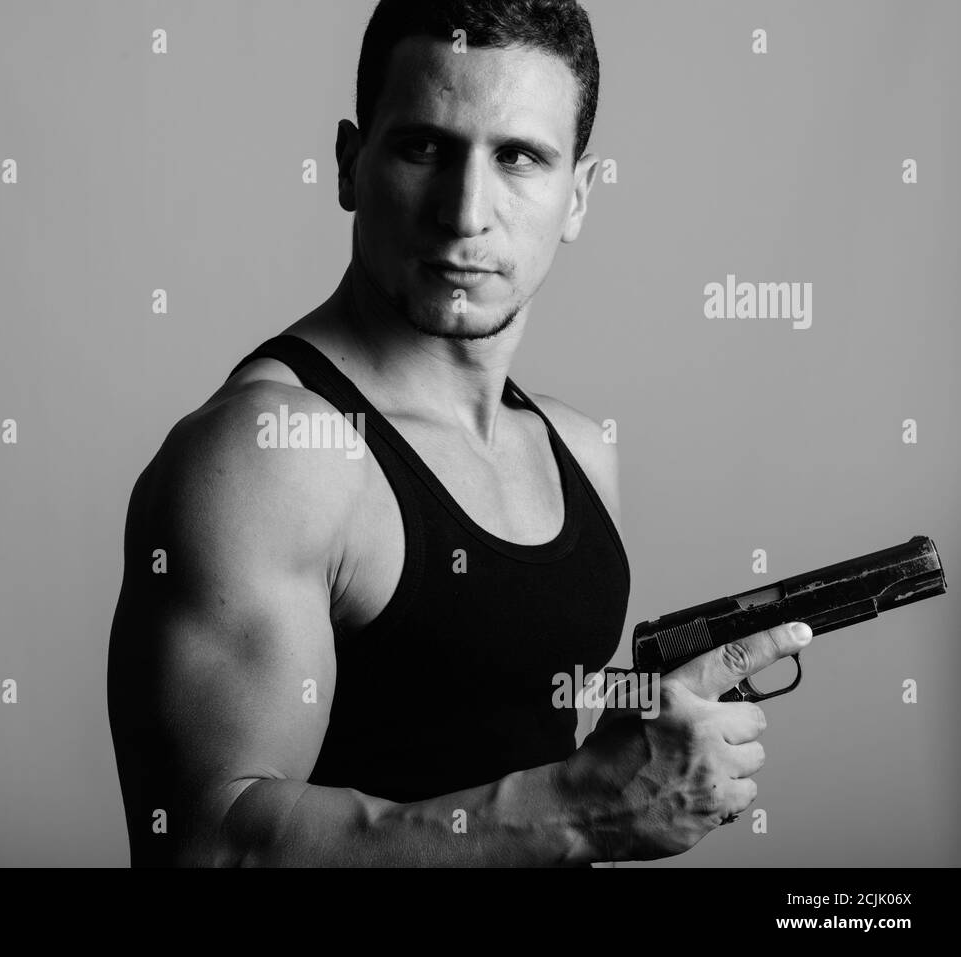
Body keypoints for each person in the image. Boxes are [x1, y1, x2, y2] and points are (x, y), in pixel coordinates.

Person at [107, 0, 810, 866]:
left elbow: (502, 726)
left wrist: (644, 740)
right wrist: (584, 813)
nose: (466, 210)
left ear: (579, 195)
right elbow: (212, 845)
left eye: (519, 157)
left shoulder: (578, 447)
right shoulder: (277, 453)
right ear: (349, 166)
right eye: (425, 147)